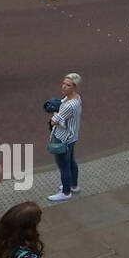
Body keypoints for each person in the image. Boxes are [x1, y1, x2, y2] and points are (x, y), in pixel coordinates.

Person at [43, 74, 82, 202]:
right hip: (72, 136)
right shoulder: (76, 98)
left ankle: (65, 192)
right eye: (63, 83)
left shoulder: (69, 105)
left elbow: (54, 121)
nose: (64, 87)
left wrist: (55, 112)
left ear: (74, 87)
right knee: (71, 161)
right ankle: (73, 186)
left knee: (63, 165)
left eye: (68, 85)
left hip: (63, 137)